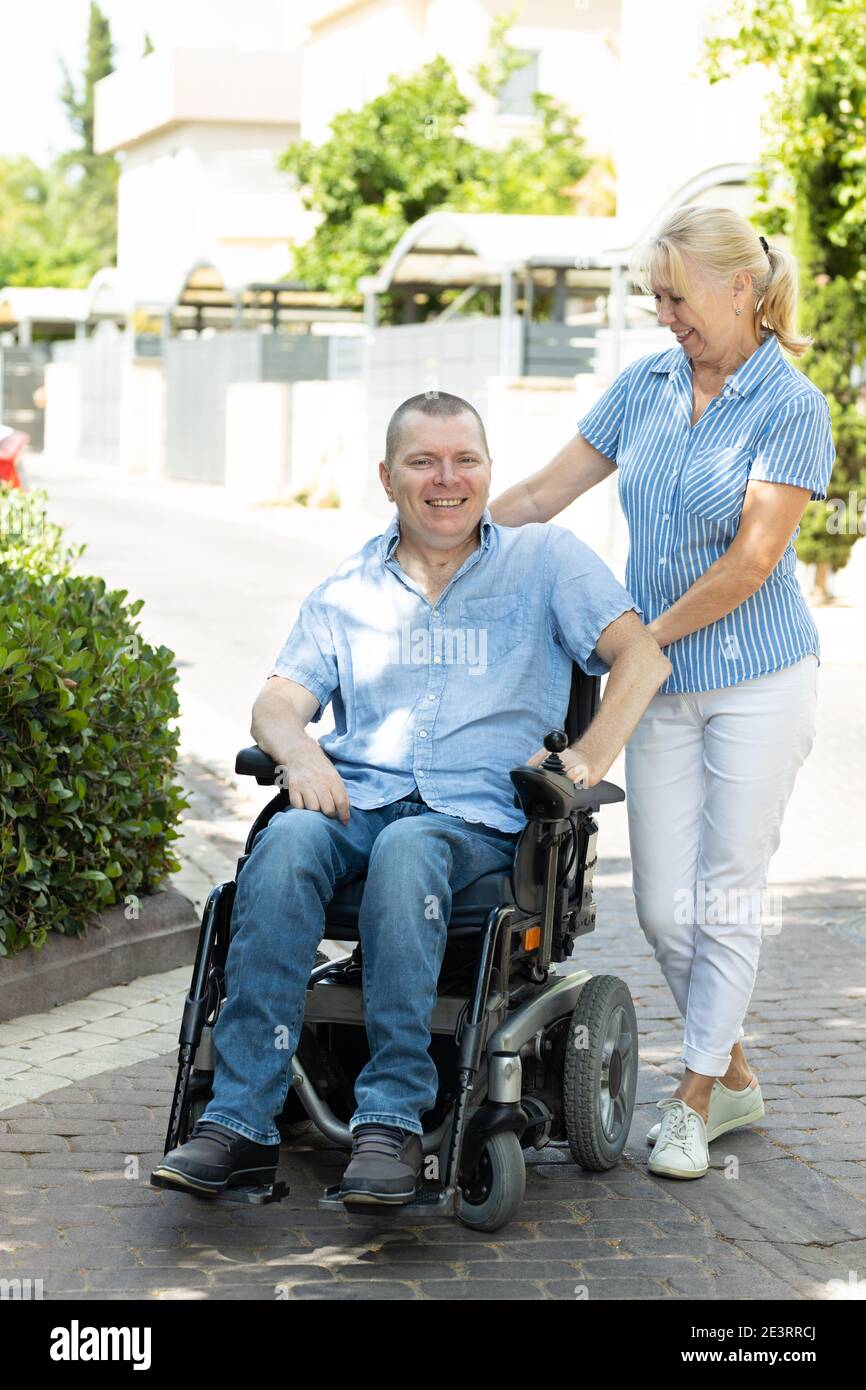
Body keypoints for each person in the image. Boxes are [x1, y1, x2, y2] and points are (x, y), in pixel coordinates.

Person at [152, 391, 670, 1204]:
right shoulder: (349, 587)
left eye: (466, 460)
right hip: (360, 804)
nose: (447, 479)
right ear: (388, 477)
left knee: (410, 846)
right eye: (424, 462)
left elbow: (641, 659)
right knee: (285, 841)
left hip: (479, 828)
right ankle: (239, 1124)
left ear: (488, 471)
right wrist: (299, 754)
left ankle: (391, 1119)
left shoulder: (545, 561)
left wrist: (583, 759)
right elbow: (277, 702)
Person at [490, 205, 836, 1180]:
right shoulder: (643, 384)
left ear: (738, 288)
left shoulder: (789, 405)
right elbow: (544, 492)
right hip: (658, 683)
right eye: (654, 296)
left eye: (674, 296)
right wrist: (448, 528)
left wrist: (641, 638)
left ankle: (690, 1103)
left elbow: (751, 561)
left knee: (724, 893)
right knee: (658, 907)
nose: (662, 315)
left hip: (757, 680)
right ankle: (729, 1067)